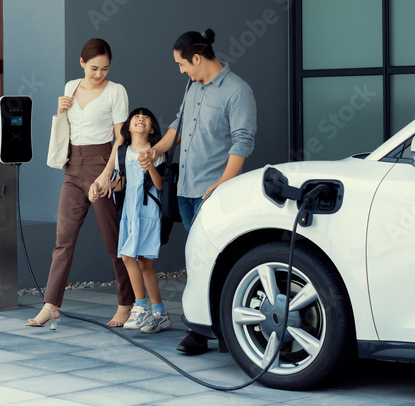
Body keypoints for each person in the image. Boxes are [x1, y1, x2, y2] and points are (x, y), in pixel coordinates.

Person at [140, 29, 256, 352]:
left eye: (181, 64)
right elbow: (179, 124)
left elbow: (243, 140)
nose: (181, 71)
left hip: (214, 193)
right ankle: (205, 327)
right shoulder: (193, 86)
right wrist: (156, 150)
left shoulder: (238, 91)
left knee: (217, 261)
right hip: (186, 191)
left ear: (196, 58)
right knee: (197, 261)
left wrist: (224, 183)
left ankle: (212, 331)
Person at [27, 38, 134, 329]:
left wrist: (107, 174)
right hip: (73, 168)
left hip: (102, 164)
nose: (99, 74)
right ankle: (51, 305)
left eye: (105, 68)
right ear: (82, 63)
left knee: (113, 241)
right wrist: (60, 110)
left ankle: (126, 304)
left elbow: (121, 138)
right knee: (63, 240)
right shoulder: (70, 87)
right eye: (94, 68)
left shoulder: (116, 91)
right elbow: (66, 128)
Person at [91, 108, 172, 334]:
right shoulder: (122, 152)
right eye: (136, 116)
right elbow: (120, 183)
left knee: (141, 260)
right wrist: (102, 188)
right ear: (128, 126)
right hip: (129, 211)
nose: (141, 118)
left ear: (152, 128)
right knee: (133, 259)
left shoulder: (156, 152)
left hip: (148, 211)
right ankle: (158, 313)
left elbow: (160, 185)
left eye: (146, 117)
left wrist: (150, 165)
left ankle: (144, 308)